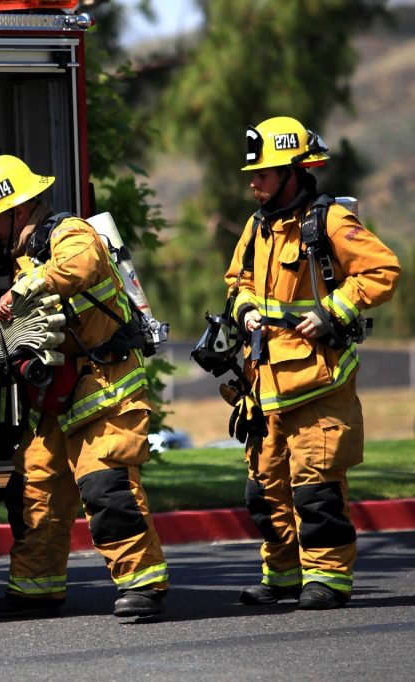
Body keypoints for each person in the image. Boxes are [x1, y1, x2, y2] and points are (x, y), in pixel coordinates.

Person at [0, 155, 169, 620]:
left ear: (17, 209)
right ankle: (36, 588)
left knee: (106, 486)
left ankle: (143, 584)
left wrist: (28, 285)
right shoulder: (27, 256)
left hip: (106, 390)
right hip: (57, 397)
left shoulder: (68, 233)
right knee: (33, 491)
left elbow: (81, 264)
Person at [225, 116, 401, 610]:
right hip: (264, 386)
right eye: (253, 174)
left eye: (264, 172)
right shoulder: (257, 228)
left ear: (295, 171)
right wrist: (246, 310)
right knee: (265, 492)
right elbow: (235, 280)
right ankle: (282, 574)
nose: (254, 181)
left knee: (317, 490)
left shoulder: (331, 223)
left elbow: (384, 270)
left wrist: (333, 310)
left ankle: (327, 578)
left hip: (319, 387)